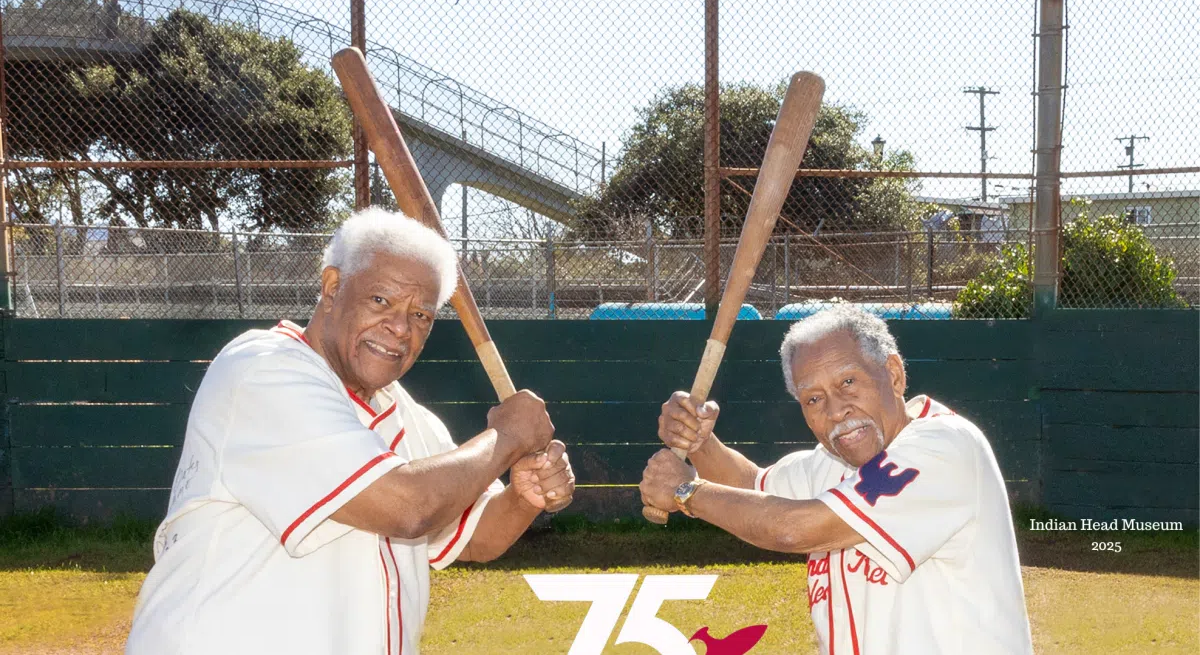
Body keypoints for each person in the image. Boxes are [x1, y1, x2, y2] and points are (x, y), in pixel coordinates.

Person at [127, 208, 575, 655]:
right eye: (381, 301)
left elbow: (474, 536)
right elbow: (408, 506)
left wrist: (522, 497)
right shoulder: (263, 369)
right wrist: (507, 437)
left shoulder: (402, 411)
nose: (400, 328)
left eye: (421, 315)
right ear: (332, 288)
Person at [638, 306, 1033, 655]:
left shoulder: (943, 446)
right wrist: (700, 441)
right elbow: (752, 487)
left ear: (893, 375)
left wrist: (687, 491)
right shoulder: (830, 462)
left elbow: (794, 529)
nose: (837, 410)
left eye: (848, 382)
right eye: (813, 399)